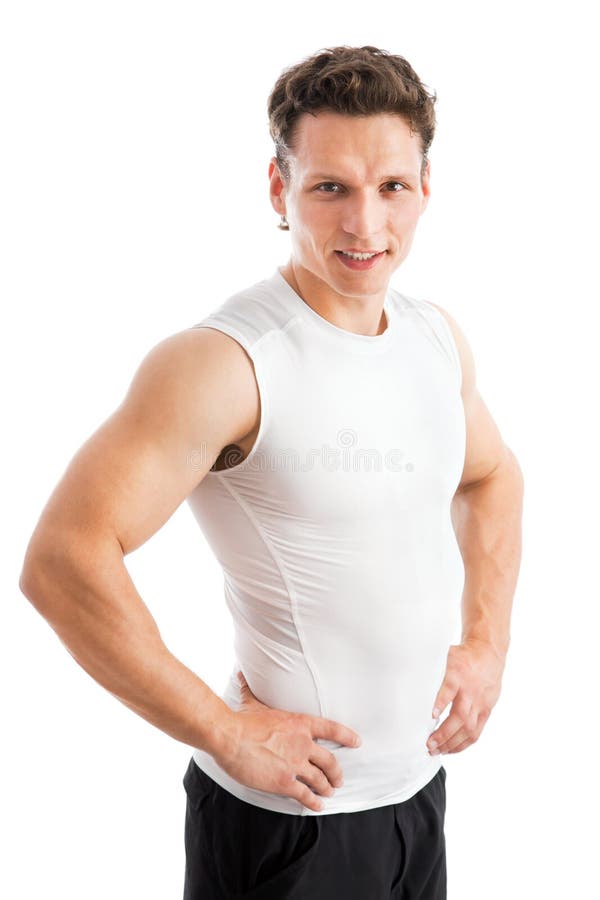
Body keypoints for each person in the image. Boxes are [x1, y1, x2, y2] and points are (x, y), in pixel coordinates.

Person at [19, 44, 524, 899]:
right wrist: (222, 730)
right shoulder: (228, 362)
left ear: (425, 189)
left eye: (391, 187)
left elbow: (491, 476)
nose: (365, 226)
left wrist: (487, 644)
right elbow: (63, 560)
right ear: (277, 188)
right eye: (330, 187)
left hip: (414, 802)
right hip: (288, 828)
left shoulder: (434, 339)